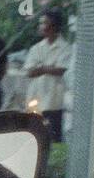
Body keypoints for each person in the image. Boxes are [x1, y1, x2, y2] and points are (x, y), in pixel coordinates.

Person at [22, 8, 73, 142]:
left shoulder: (65, 47)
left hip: (54, 100)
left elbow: (61, 70)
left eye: (44, 23)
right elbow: (30, 72)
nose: (41, 27)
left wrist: (41, 67)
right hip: (36, 97)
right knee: (35, 135)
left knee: (53, 135)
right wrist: (48, 68)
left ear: (54, 25)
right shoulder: (36, 48)